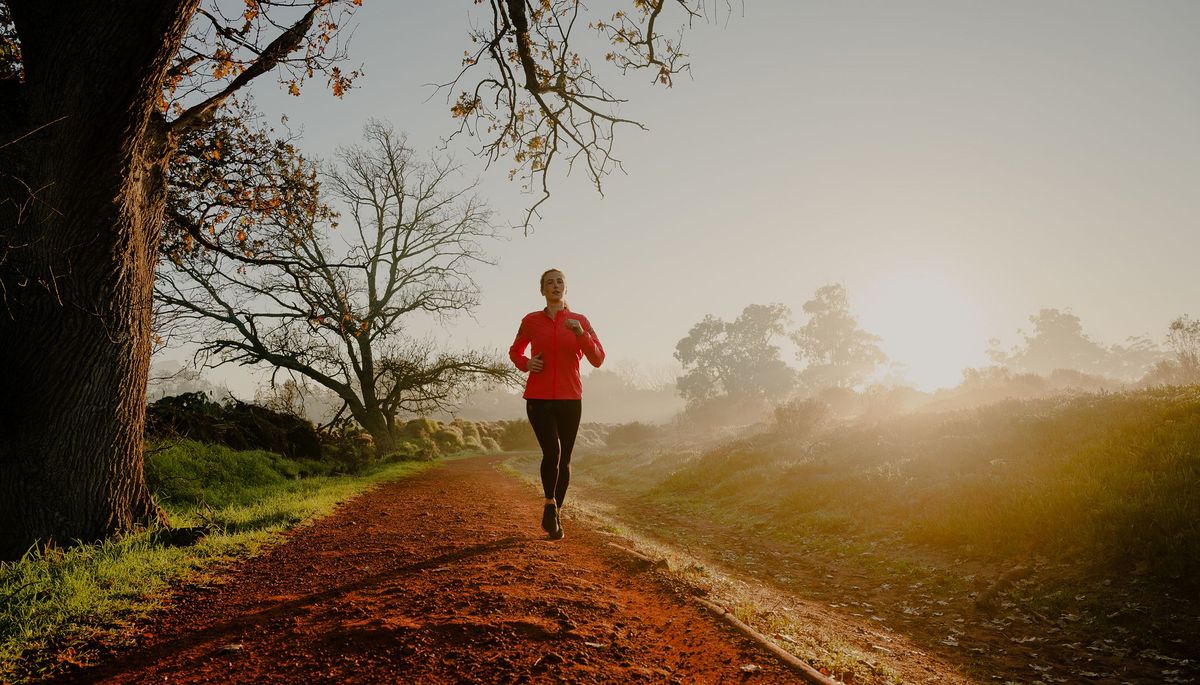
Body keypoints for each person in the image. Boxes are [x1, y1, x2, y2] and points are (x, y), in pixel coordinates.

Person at [508, 268, 605, 540]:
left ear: (566, 288)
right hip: (538, 398)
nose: (555, 285)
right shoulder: (530, 321)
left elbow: (598, 358)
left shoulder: (579, 320)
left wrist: (581, 334)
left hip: (570, 399)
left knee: (565, 459)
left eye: (559, 281)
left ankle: (554, 513)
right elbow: (514, 350)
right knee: (553, 452)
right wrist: (526, 363)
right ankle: (550, 504)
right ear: (542, 290)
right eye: (549, 282)